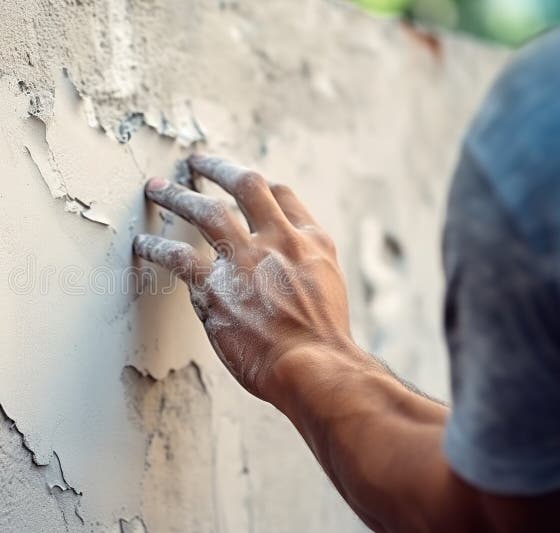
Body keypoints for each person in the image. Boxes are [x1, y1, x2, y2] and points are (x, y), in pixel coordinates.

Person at [133, 29, 560, 533]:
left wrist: (300, 354)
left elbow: (487, 519)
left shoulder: (534, 148)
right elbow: (530, 477)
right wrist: (328, 354)